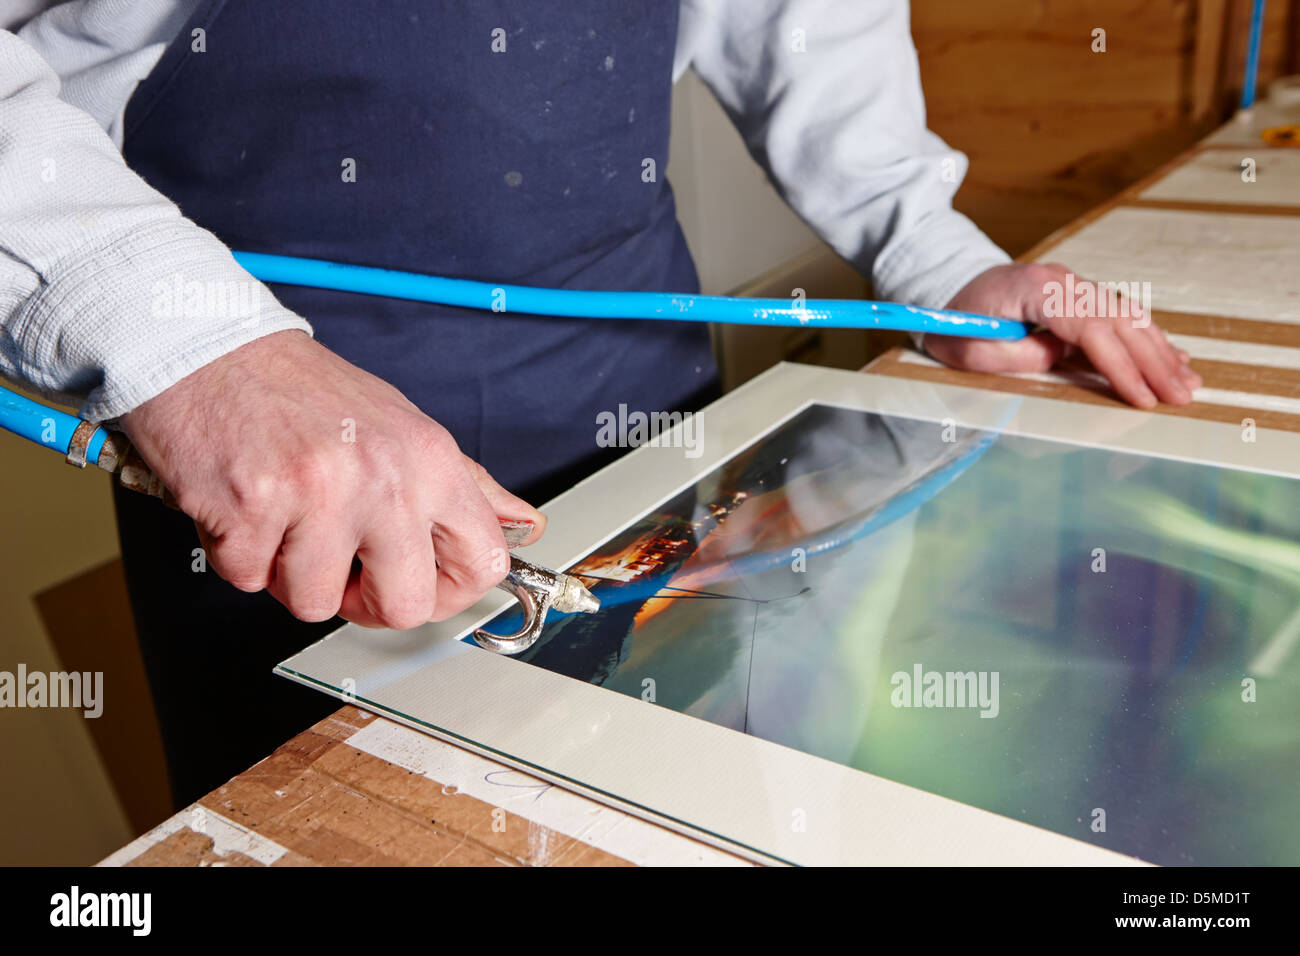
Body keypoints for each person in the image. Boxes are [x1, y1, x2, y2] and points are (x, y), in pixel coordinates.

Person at [0, 1, 1201, 807]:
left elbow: (809, 23)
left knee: (708, 794)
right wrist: (208, 355)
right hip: (253, 443)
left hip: (636, 380)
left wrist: (938, 256)